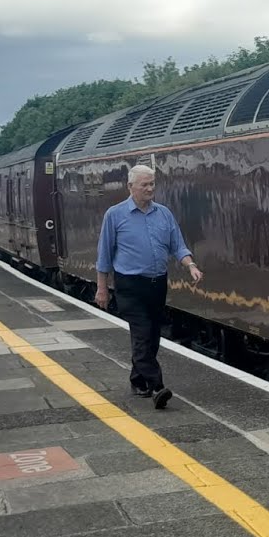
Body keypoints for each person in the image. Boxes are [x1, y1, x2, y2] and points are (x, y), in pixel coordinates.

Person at [95, 165, 203, 409]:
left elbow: (178, 245)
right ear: (130, 187)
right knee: (143, 333)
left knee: (152, 336)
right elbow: (104, 255)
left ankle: (137, 380)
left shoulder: (163, 214)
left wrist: (191, 266)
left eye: (152, 184)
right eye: (145, 184)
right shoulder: (115, 215)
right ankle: (157, 387)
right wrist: (102, 288)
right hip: (130, 285)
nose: (150, 189)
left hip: (156, 284)